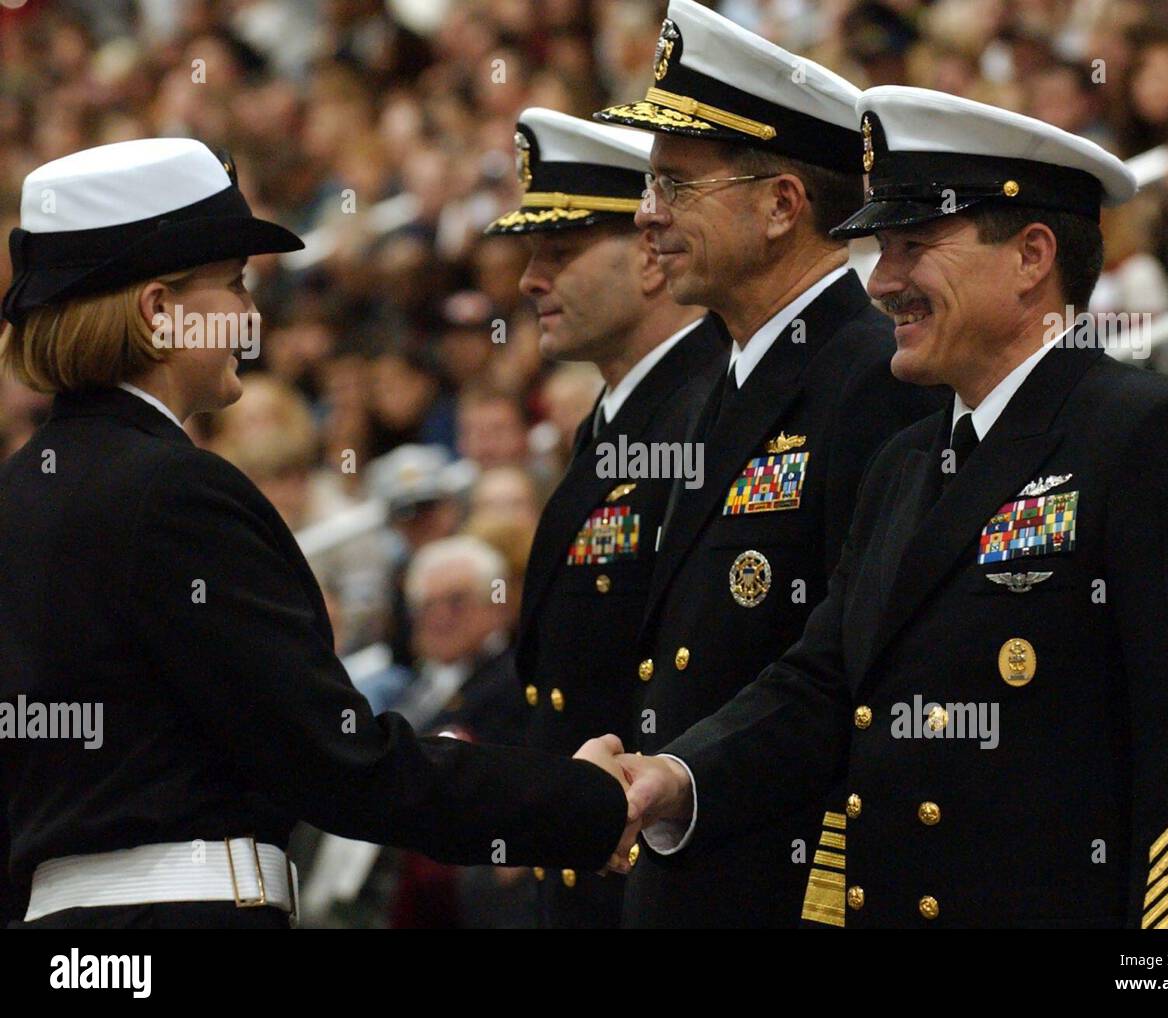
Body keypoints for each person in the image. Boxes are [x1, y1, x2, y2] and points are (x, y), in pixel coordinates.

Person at [608, 86, 1168, 929]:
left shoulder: (1151, 436)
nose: (883, 283)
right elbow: (825, 684)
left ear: (1032, 255)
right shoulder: (908, 462)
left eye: (913, 247)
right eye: (881, 250)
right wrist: (677, 779)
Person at [0, 138, 627, 929]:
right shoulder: (173, 492)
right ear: (157, 312)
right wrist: (582, 805)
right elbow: (334, 759)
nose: (251, 316)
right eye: (232, 286)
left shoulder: (19, 494)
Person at [592, 0, 938, 927]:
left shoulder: (878, 377)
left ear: (782, 204)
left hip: (795, 885)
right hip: (695, 867)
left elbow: (852, 672)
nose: (645, 214)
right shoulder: (725, 377)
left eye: (675, 185)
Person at [485, 107, 725, 927]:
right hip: (596, 868)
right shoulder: (620, 421)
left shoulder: (707, 415)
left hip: (667, 862)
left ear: (652, 257)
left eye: (560, 252)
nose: (529, 279)